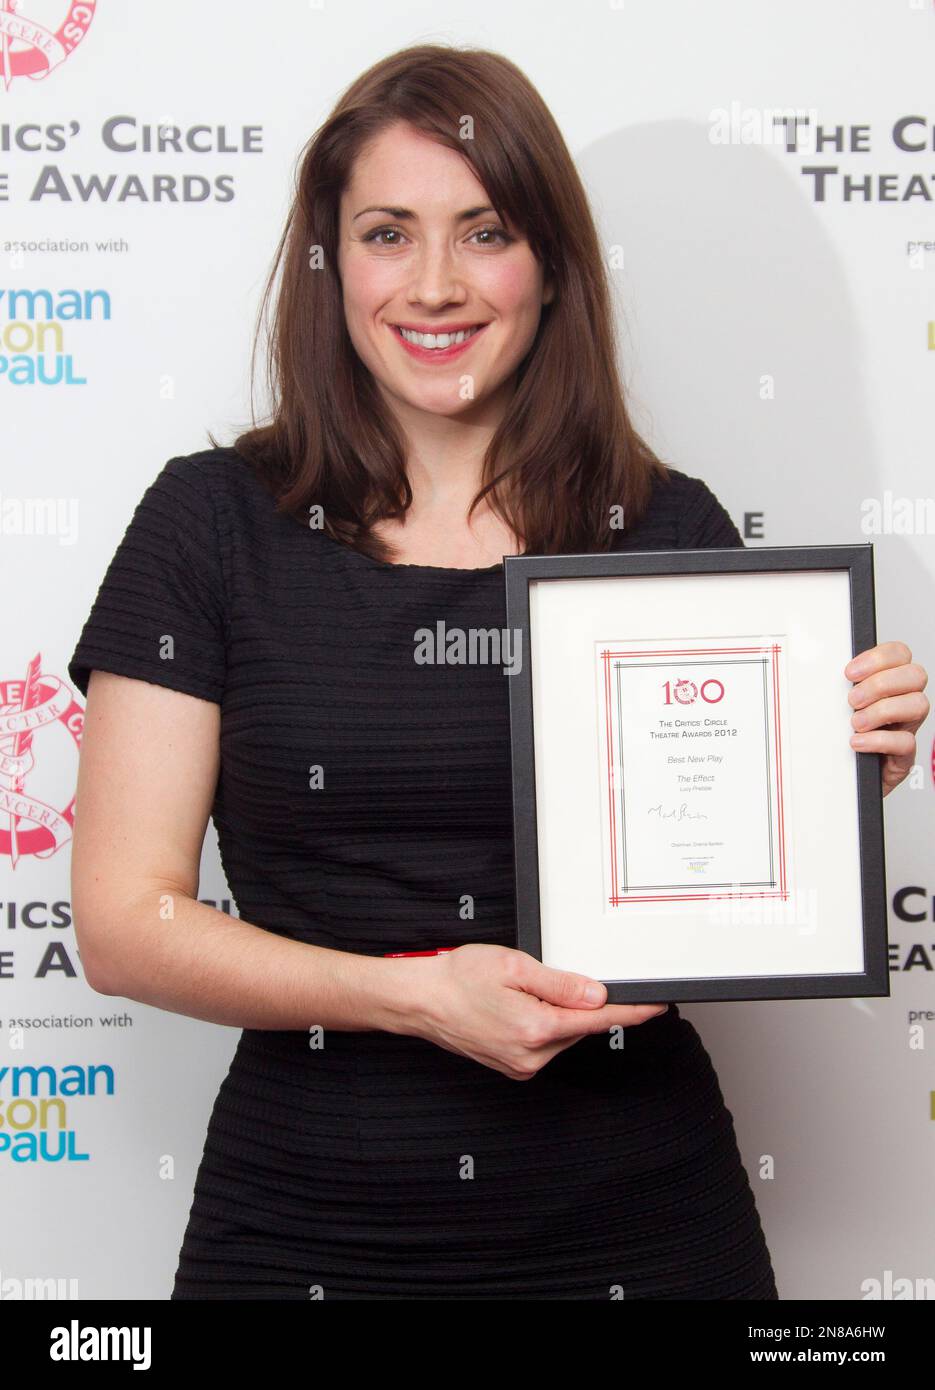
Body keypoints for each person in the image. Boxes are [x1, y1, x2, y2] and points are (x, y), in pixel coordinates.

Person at [68, 44, 929, 1301]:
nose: (432, 284)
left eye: (483, 232)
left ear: (549, 264)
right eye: (385, 233)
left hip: (639, 1221)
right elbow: (122, 925)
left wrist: (841, 766)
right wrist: (417, 999)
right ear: (328, 264)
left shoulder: (665, 526)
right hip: (307, 1227)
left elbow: (733, 871)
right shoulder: (211, 523)